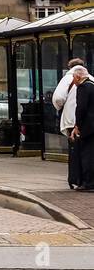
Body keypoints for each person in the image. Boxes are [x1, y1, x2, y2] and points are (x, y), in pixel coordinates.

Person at [52, 58, 86, 189]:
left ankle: (75, 178)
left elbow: (58, 98)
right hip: (88, 121)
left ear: (69, 67)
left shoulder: (67, 79)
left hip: (72, 121)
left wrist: (60, 108)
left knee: (74, 150)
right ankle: (86, 178)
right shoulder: (91, 78)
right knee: (86, 150)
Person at [73, 66, 94, 191]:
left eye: (73, 79)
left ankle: (89, 183)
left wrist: (77, 126)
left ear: (78, 76)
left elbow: (81, 108)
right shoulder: (93, 86)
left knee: (87, 155)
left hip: (88, 127)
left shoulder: (83, 88)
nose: (73, 82)